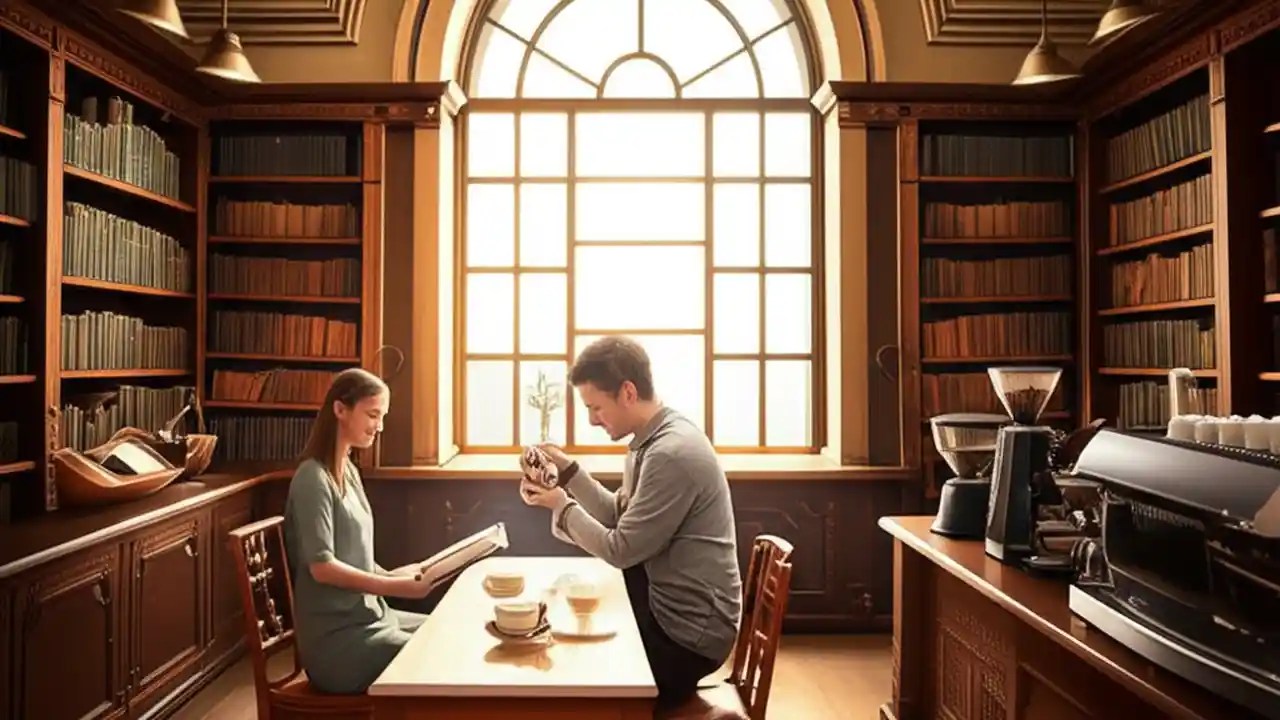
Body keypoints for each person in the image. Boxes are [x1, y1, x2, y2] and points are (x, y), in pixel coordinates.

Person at [518, 336, 742, 711]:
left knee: (574, 672)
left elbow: (621, 549)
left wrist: (559, 503)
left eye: (596, 407)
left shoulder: (671, 453)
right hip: (666, 606)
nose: (591, 419)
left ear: (627, 392)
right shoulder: (649, 441)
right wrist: (569, 472)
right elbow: (620, 518)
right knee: (565, 633)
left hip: (686, 639)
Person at [283, 367, 436, 695]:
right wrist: (394, 587)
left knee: (447, 633)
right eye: (372, 414)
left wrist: (397, 575)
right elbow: (323, 568)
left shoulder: (349, 471)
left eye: (382, 416)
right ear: (340, 410)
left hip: (373, 620)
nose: (379, 427)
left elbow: (356, 558)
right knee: (438, 654)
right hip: (339, 642)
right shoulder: (312, 478)